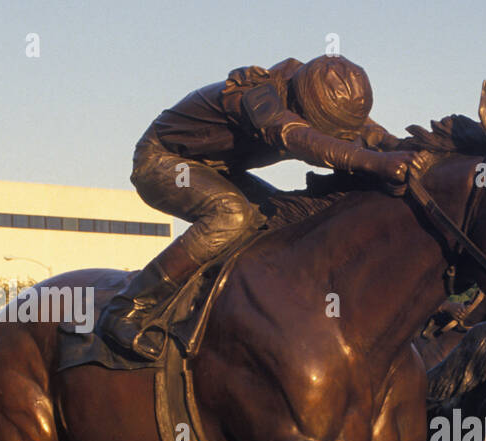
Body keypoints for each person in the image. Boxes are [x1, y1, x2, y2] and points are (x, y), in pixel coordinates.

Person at [99, 56, 418, 359]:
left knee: (285, 218)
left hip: (219, 170)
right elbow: (293, 136)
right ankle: (128, 308)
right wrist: (375, 162)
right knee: (231, 214)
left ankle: (221, 304)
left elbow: (367, 131)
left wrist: (411, 152)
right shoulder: (254, 97)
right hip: (163, 160)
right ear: (303, 110)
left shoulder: (313, 88)